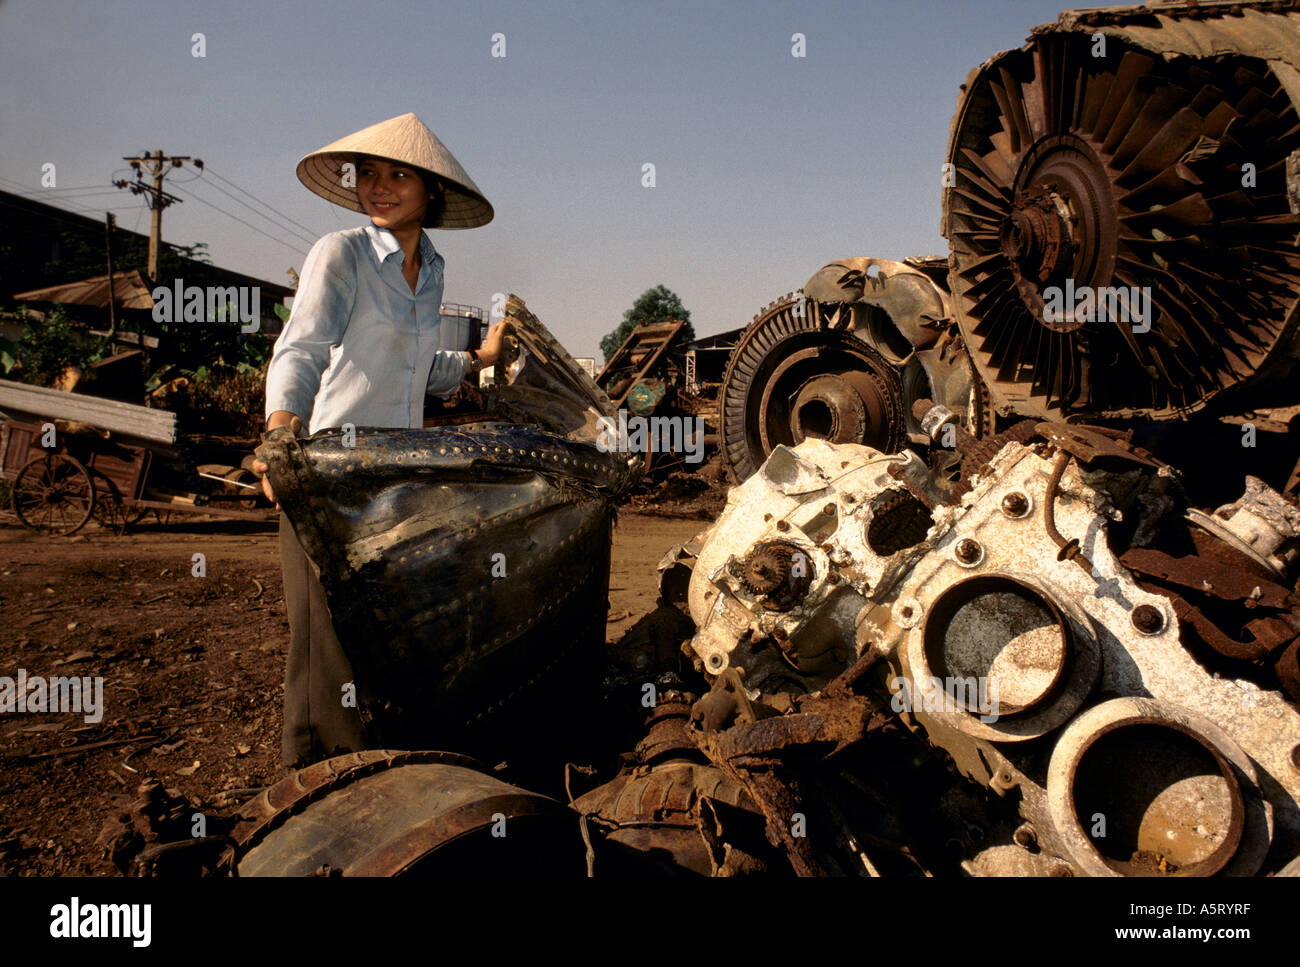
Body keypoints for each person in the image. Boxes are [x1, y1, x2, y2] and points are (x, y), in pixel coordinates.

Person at [250, 113, 504, 768]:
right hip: (330, 475)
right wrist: (281, 435)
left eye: (398, 174)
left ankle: (392, 766)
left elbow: (419, 368)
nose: (379, 185)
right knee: (323, 648)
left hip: (399, 481)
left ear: (432, 192)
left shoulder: (433, 271)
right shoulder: (343, 254)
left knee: (388, 629)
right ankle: (318, 789)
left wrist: (478, 361)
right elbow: (300, 350)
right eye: (368, 172)